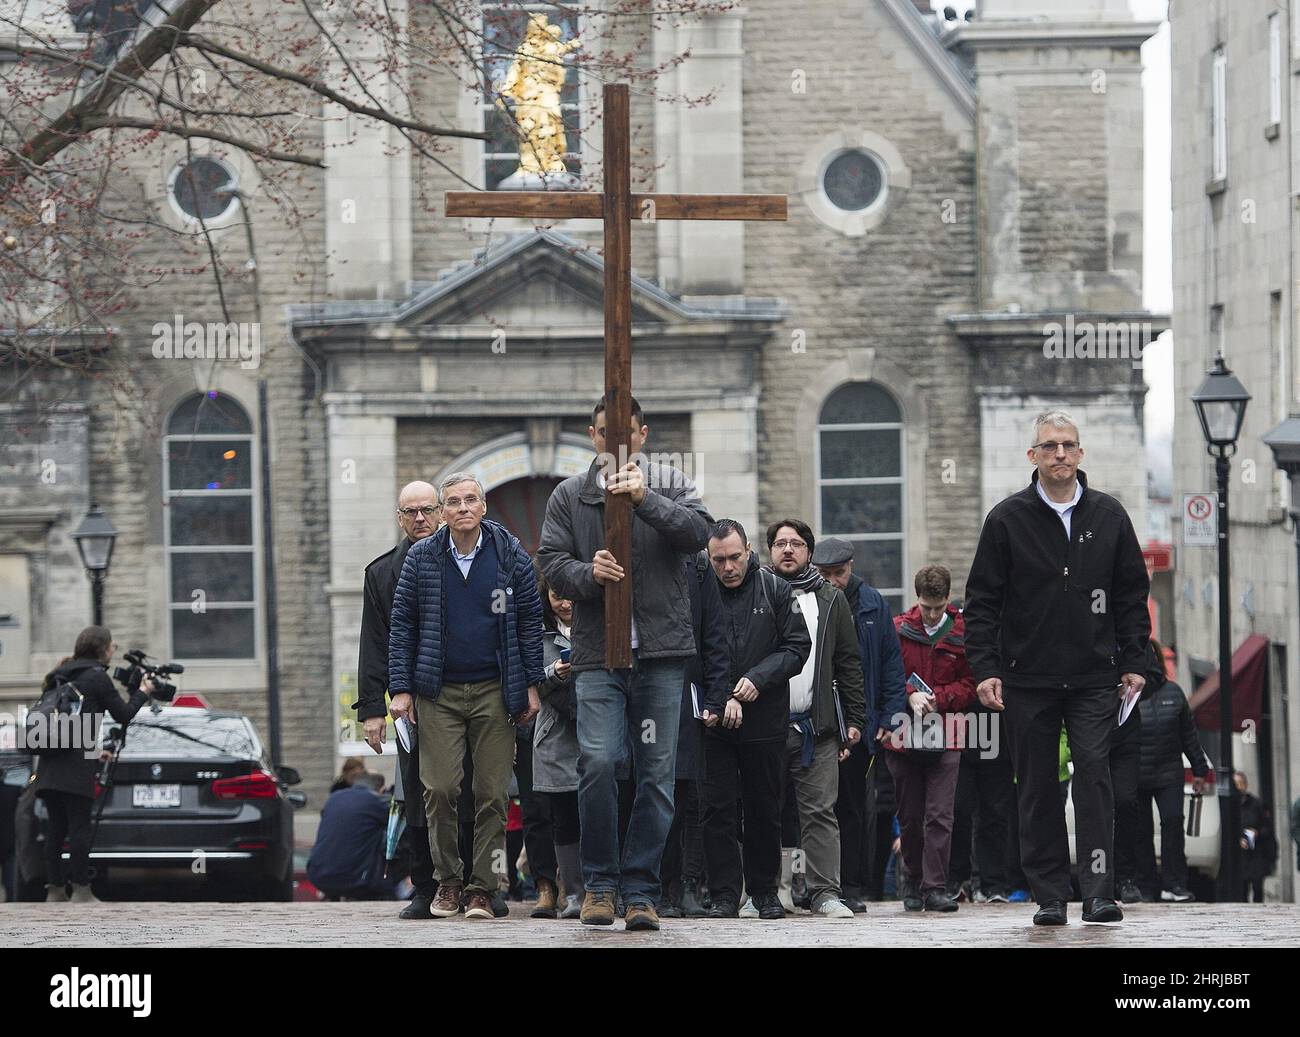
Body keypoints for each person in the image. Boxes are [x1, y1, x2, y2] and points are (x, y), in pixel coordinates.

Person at [964, 410, 1150, 926]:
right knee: (1038, 787)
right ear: (1034, 456)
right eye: (1050, 446)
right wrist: (985, 668)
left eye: (1068, 445)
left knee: (1094, 779)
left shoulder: (1109, 516)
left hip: (1095, 677)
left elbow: (1132, 595)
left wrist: (1135, 659)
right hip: (1028, 677)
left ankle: (1097, 892)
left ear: (1080, 453)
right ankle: (1049, 895)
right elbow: (982, 601)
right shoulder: (1006, 519)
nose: (1060, 454)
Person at [537, 395, 712, 932]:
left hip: (660, 653)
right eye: (601, 433)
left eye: (624, 433)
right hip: (596, 655)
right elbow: (551, 562)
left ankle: (640, 890)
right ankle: (600, 885)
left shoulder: (671, 483)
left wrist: (645, 501)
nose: (612, 442)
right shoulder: (569, 494)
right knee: (599, 763)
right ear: (591, 437)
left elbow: (698, 535)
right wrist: (589, 573)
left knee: (657, 776)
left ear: (641, 435)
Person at [389, 471, 544, 921]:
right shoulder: (422, 558)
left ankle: (482, 887)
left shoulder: (509, 554)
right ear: (443, 512)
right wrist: (401, 689)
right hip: (438, 691)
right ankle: (448, 882)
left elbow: (530, 621)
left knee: (493, 793)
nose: (461, 508)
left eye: (469, 500)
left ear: (483, 507)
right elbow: (403, 626)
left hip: (496, 690)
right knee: (439, 788)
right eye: (452, 501)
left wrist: (531, 683)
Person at [697, 519, 811, 919]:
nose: (728, 567)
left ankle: (764, 893)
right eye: (718, 560)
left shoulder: (775, 588)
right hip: (714, 720)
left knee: (765, 807)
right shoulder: (700, 591)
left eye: (734, 557)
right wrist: (724, 695)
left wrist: (756, 681)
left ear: (748, 550)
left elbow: (798, 646)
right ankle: (725, 894)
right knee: (717, 809)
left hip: (765, 719)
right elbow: (696, 653)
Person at [764, 519, 864, 918]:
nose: (788, 549)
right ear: (770, 550)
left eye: (797, 543)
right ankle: (764, 892)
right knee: (762, 810)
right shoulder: (755, 592)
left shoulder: (831, 599)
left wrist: (854, 717)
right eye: (780, 543)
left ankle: (825, 893)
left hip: (816, 726)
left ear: (809, 551)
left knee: (820, 812)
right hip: (764, 727)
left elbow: (848, 662)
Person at [354, 480, 442, 919]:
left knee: (473, 791)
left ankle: (471, 884)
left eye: (427, 509)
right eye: (411, 512)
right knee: (417, 792)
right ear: (400, 518)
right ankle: (425, 886)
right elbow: (373, 645)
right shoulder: (382, 573)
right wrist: (371, 709)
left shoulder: (469, 561)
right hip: (410, 704)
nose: (420, 519)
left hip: (468, 692)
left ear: (441, 511)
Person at [811, 535, 907, 912]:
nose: (833, 580)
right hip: (817, 722)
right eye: (826, 573)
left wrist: (888, 716)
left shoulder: (872, 604)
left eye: (840, 573)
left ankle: (850, 885)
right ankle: (817, 885)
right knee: (816, 808)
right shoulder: (806, 601)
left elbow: (891, 664)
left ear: (850, 569)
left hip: (858, 725)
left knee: (853, 809)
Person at [32, 627, 149, 903]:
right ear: (101, 649)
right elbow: (124, 715)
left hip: (50, 765)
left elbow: (73, 729)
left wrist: (95, 753)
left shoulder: (59, 675)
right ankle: (82, 890)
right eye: (111, 647)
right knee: (79, 828)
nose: (112, 652)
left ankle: (55, 890)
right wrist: (143, 691)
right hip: (76, 770)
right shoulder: (97, 677)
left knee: (56, 829)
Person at [885, 565, 976, 913]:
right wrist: (910, 693)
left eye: (939, 607)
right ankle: (911, 878)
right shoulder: (897, 629)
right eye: (926, 607)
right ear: (916, 599)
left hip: (948, 729)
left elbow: (971, 684)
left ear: (948, 600)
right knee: (909, 814)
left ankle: (936, 886)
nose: (933, 614)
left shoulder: (962, 633)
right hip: (903, 730)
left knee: (940, 814)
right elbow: (887, 675)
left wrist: (939, 697)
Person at [661, 550, 729, 918]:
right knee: (655, 792)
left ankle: (686, 886)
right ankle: (656, 885)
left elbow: (714, 637)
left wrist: (716, 698)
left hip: (690, 691)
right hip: (647, 690)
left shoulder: (698, 565)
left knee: (691, 795)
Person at [1134, 638, 1209, 902]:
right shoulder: (1125, 695)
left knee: (1173, 824)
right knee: (1142, 832)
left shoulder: (1173, 693)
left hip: (1169, 773)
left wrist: (1199, 769)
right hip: (1137, 775)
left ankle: (1174, 884)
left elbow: (1189, 735)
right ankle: (1146, 885)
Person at [531, 561, 584, 919]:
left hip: (593, 733)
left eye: (569, 596)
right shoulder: (539, 634)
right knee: (563, 816)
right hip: (555, 735)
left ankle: (601, 888)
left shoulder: (598, 626)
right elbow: (529, 676)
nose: (564, 603)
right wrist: (555, 672)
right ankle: (573, 892)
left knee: (597, 812)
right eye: (556, 596)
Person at [307, 772, 398, 900]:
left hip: (319, 875)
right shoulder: (375, 802)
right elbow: (398, 823)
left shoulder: (334, 798)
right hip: (356, 878)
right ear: (381, 790)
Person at [1236, 772, 1277, 903]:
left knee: (1257, 887)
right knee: (1241, 889)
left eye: (1240, 784)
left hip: (1256, 853)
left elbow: (1268, 827)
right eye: (1235, 784)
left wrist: (1257, 833)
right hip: (1238, 855)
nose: (1238, 787)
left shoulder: (1257, 804)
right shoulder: (1231, 805)